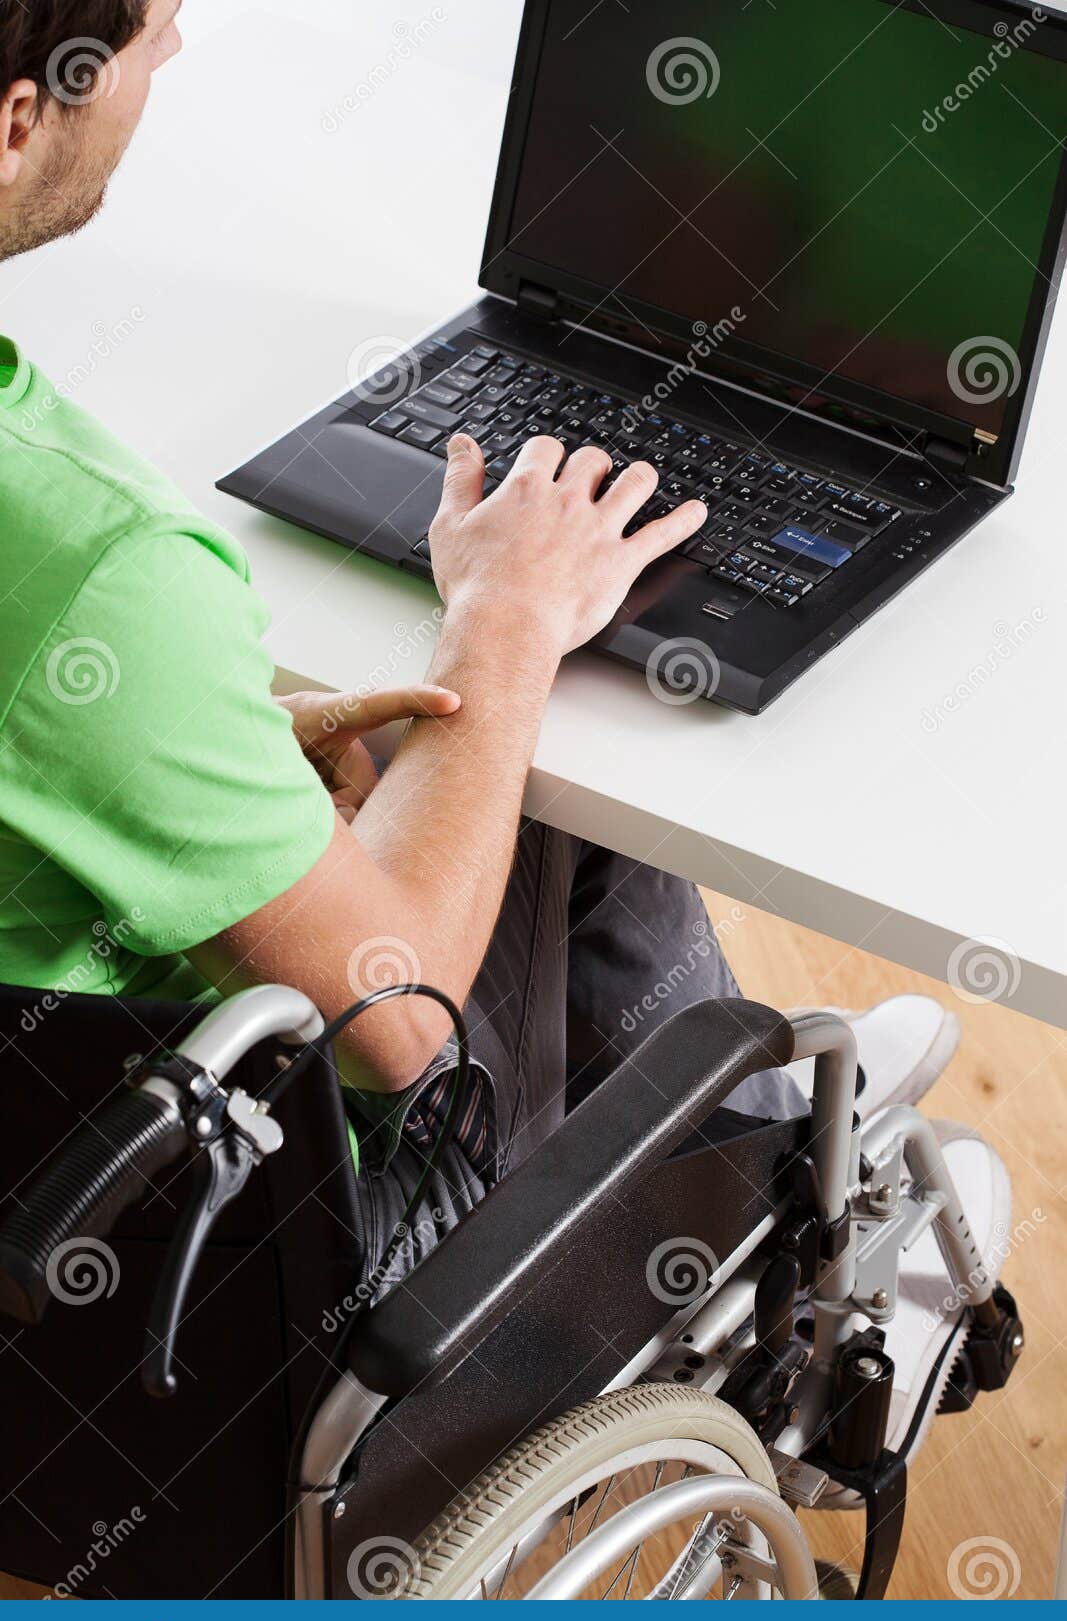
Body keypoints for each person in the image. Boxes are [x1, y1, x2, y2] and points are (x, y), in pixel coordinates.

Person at [0, 0, 958, 1284]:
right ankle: (736, 1206)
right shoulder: (95, 566)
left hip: (52, 1142)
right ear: (18, 124)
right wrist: (503, 619)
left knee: (464, 745)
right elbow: (394, 1033)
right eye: (149, 33)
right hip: (193, 1258)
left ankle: (736, 1143)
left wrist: (182, 748)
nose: (173, 50)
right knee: (505, 723)